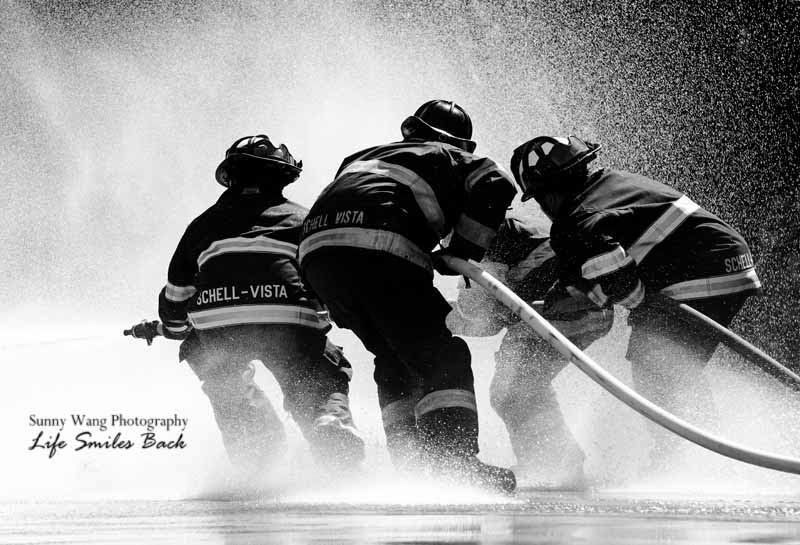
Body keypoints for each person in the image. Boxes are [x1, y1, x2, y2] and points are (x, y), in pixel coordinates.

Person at [298, 100, 518, 492]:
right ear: (460, 142)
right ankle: (456, 469)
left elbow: (350, 201)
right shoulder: (447, 154)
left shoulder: (361, 157)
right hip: (380, 250)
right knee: (442, 354)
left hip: (318, 259)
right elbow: (497, 182)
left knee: (394, 357)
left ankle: (412, 467)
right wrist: (464, 250)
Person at [508, 134, 763, 469]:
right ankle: (700, 451)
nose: (543, 208)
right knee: (670, 363)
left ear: (550, 191)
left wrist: (637, 302)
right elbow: (603, 269)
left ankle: (686, 461)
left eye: (540, 198)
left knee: (654, 359)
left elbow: (615, 273)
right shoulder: (611, 186)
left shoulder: (577, 219)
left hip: (698, 269)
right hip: (720, 259)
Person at [154, 134, 365, 477]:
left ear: (230, 177)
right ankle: (327, 419)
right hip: (286, 315)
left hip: (216, 322)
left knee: (226, 385)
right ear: (284, 176)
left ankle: (254, 452)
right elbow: (326, 274)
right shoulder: (303, 219)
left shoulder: (201, 225)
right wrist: (325, 314)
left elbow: (176, 295)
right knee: (313, 376)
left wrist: (177, 328)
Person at [446, 203, 613, 488]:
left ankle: (555, 466)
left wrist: (438, 318)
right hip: (569, 310)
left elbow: (487, 311)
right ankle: (557, 462)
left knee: (512, 390)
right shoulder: (504, 226)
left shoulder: (484, 232)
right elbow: (494, 312)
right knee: (521, 385)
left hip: (563, 310)